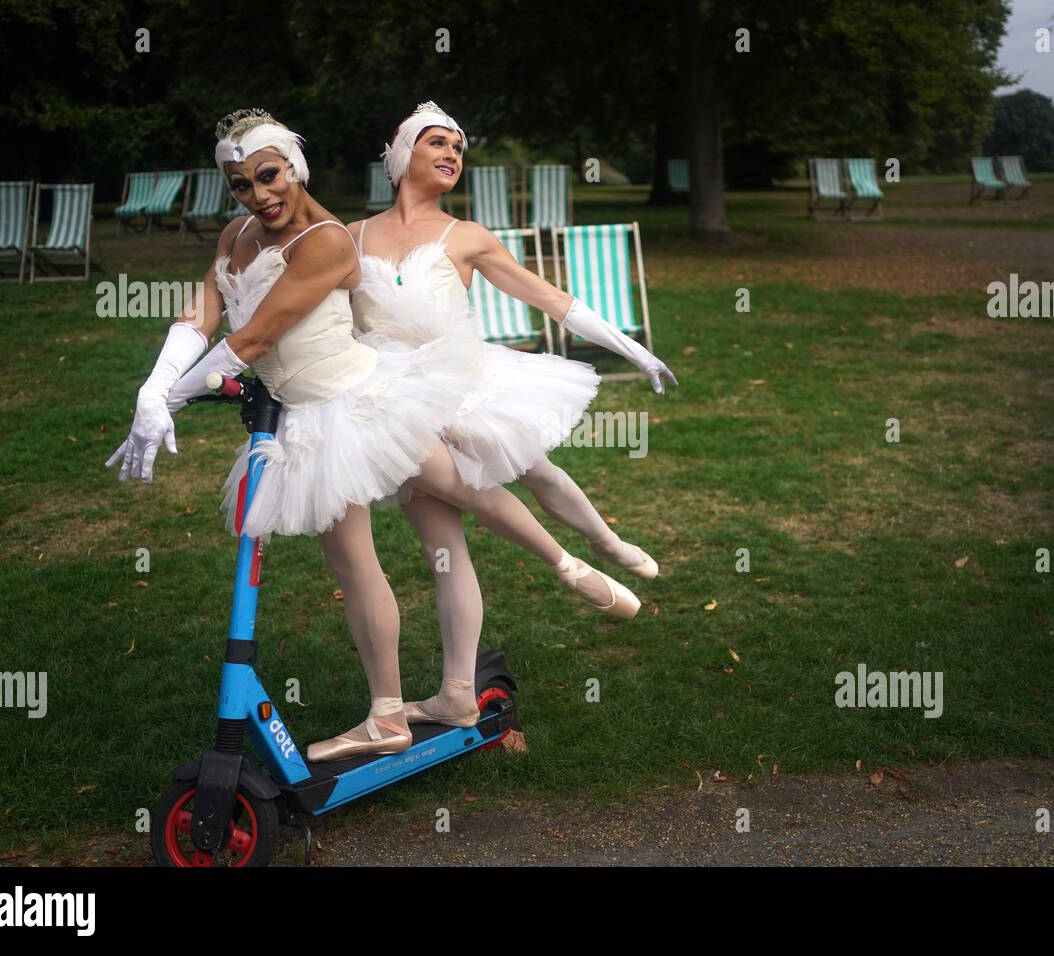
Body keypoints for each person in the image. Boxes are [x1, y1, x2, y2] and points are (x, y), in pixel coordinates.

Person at [106, 109, 640, 761]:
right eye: (242, 185)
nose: (260, 194)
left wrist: (169, 397)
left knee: (464, 484)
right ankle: (386, 714)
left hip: (367, 399)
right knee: (354, 563)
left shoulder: (329, 240)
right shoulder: (239, 236)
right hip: (303, 421)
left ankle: (568, 562)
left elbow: (252, 339)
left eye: (268, 175)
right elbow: (201, 318)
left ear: (293, 167)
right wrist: (152, 389)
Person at [349, 101, 678, 728]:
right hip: (393, 407)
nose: (452, 155)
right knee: (443, 548)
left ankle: (601, 541)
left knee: (533, 466)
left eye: (459, 148)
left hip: (466, 379)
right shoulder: (351, 237)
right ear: (400, 153)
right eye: (438, 143)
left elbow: (550, 298)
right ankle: (454, 690)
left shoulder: (466, 236)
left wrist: (634, 350)